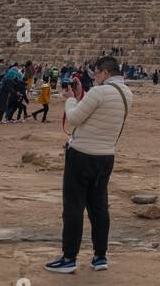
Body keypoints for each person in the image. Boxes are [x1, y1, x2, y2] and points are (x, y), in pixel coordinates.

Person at [44, 56, 132, 274]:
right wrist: (84, 95)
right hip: (106, 157)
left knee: (73, 207)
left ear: (104, 72)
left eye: (96, 73)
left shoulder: (99, 92)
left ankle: (69, 258)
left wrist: (71, 98)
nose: (94, 77)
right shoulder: (126, 94)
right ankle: (100, 256)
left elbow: (74, 118)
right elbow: (96, 115)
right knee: (99, 207)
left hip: (82, 156)